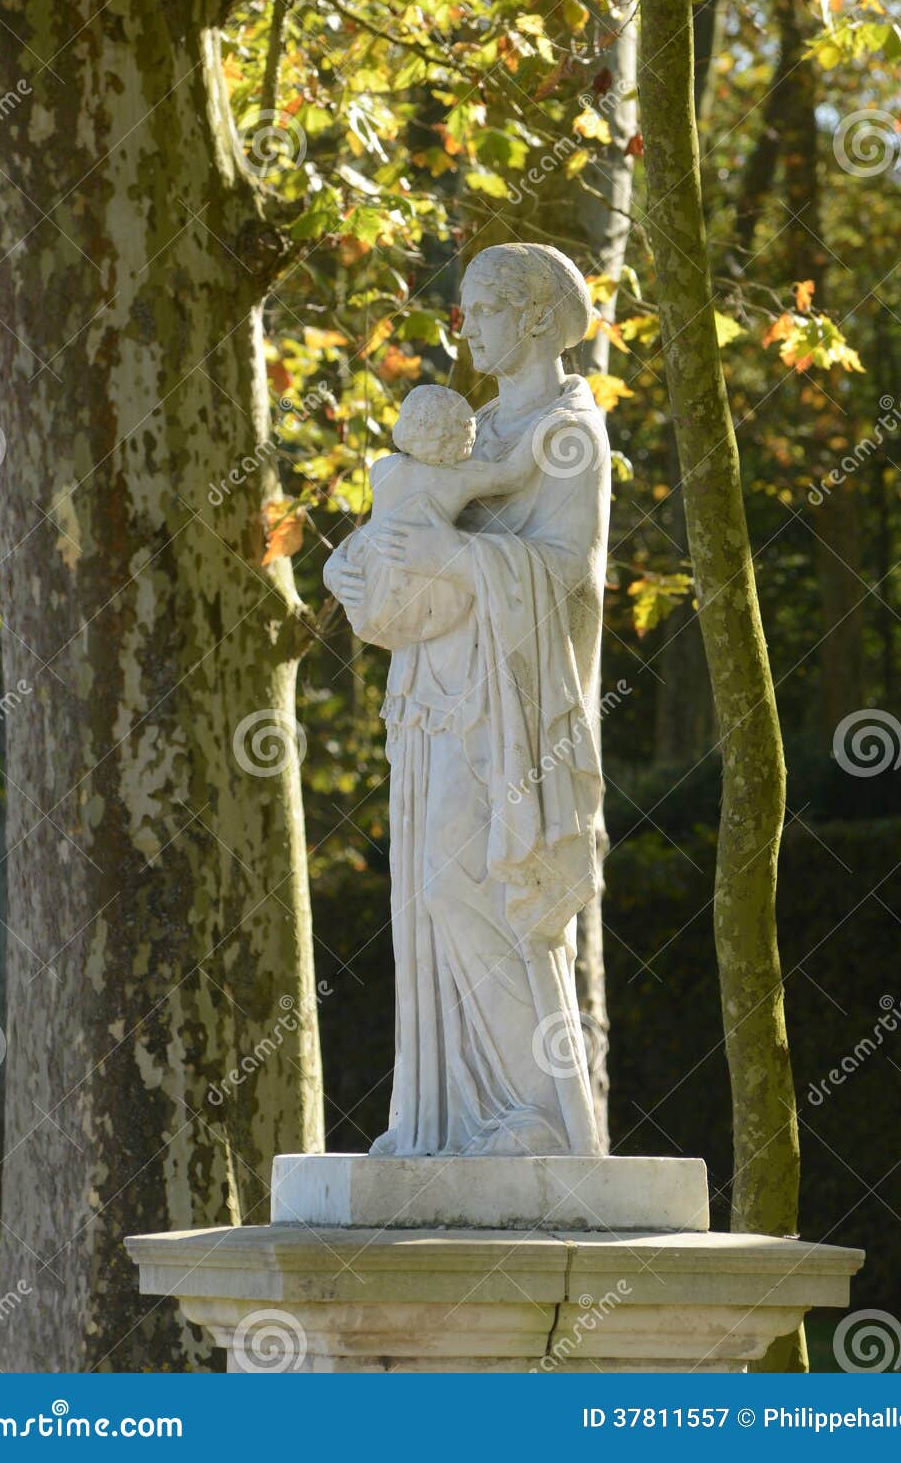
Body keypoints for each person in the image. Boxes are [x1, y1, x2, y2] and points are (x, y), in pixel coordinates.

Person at [332, 243, 610, 1158]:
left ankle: (534, 1116)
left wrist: (461, 561)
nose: (468, 327)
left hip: (513, 709)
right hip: (435, 692)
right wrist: (365, 565)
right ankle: (444, 1121)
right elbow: (407, 527)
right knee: (424, 886)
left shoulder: (569, 431)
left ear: (535, 316)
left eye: (484, 308)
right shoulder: (476, 431)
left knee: (479, 883)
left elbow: (573, 582)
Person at [323, 383, 533, 650]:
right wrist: (545, 429)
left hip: (370, 564)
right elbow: (514, 475)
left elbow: (376, 524)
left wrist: (335, 564)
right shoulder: (460, 477)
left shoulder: (383, 468)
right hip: (418, 573)